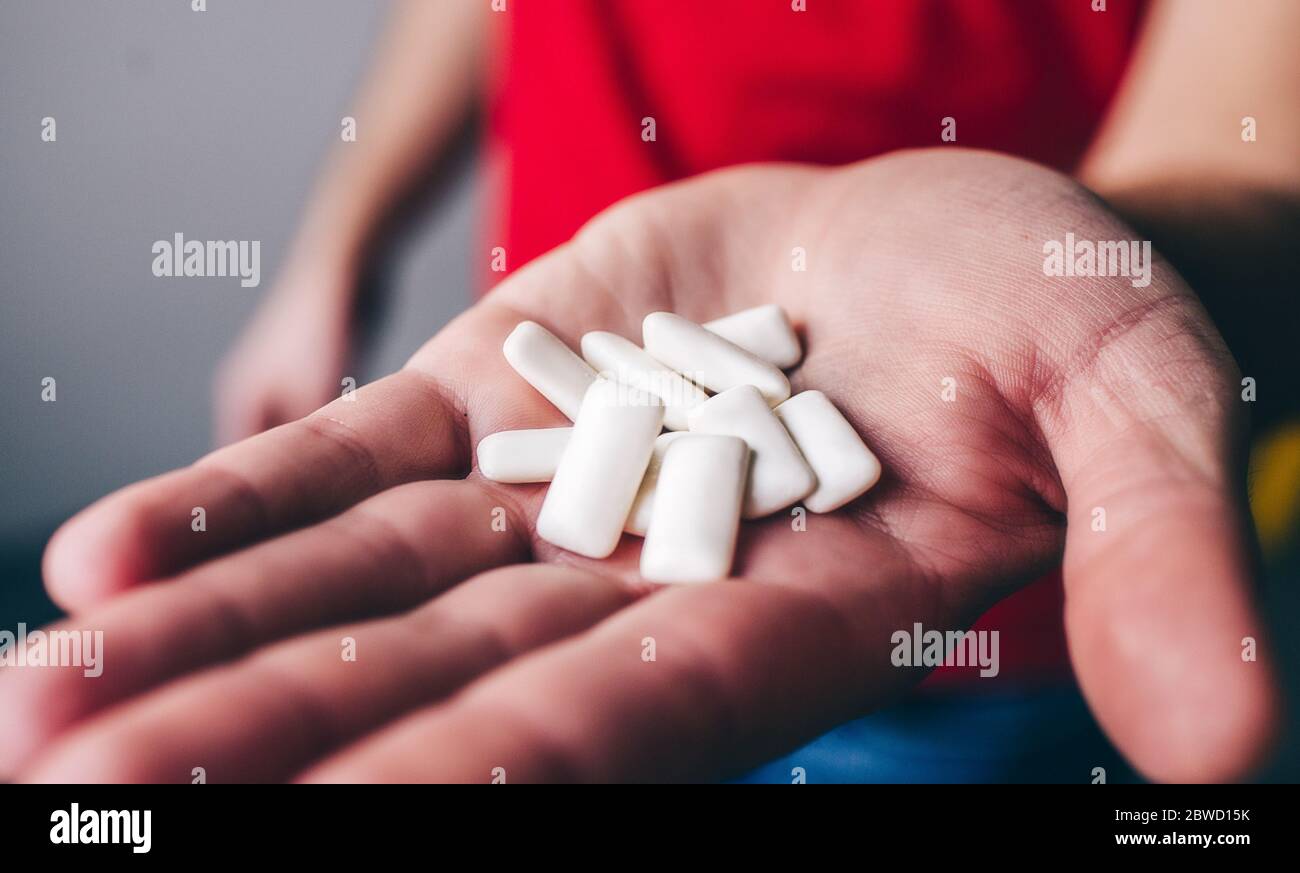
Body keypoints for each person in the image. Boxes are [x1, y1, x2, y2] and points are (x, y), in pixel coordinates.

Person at [1, 0, 1296, 783]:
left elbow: (1265, 137)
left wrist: (1118, 257)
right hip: (562, 363)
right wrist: (338, 237)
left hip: (982, 569)